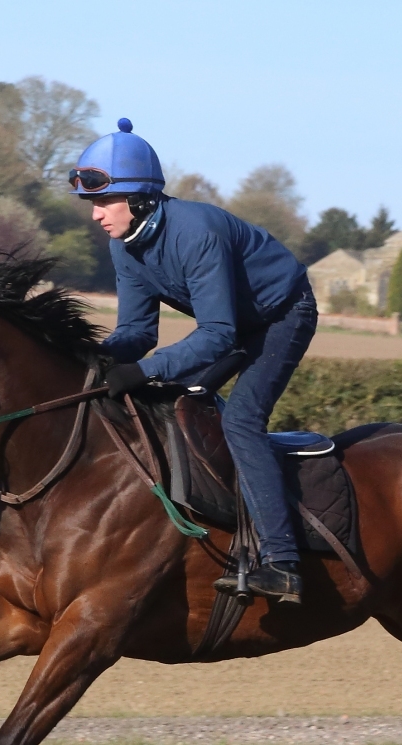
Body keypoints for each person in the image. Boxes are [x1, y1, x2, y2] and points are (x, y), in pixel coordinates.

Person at [71, 119, 316, 603]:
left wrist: (143, 369)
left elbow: (219, 334)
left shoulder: (195, 232)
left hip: (284, 314)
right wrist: (96, 359)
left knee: (242, 420)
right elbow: (138, 332)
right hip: (239, 323)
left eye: (104, 202)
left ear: (138, 198)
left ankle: (283, 564)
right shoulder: (125, 247)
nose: (96, 215)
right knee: (174, 399)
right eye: (92, 204)